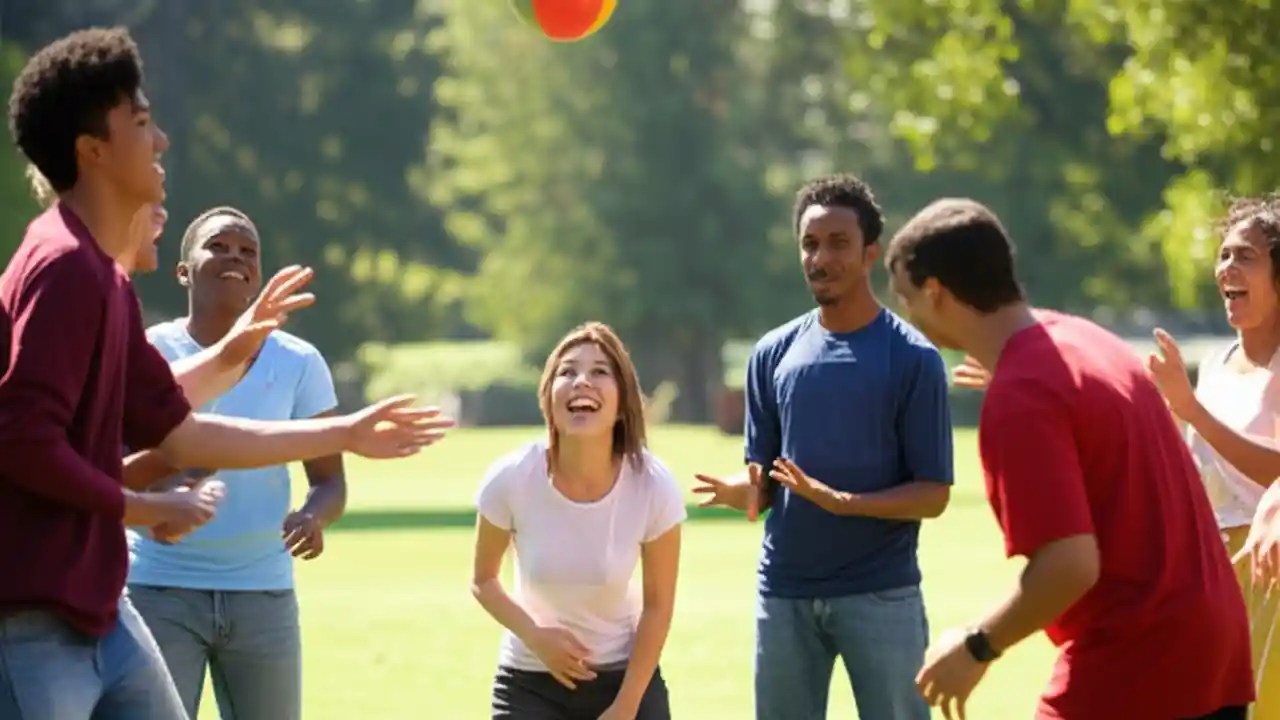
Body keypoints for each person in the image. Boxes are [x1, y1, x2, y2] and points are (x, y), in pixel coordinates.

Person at [1, 27, 452, 720]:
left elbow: (176, 427)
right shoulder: (62, 267)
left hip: (99, 608)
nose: (161, 142)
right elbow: (25, 444)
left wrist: (343, 430)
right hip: (30, 614)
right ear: (93, 151)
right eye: (142, 124)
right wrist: (146, 509)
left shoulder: (105, 281)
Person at [885, 197, 1253, 719]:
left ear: (936, 291)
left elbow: (1070, 564)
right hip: (1214, 649)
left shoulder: (1025, 394)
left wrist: (975, 646)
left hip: (1140, 658)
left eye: (906, 300)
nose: (909, 317)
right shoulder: (1086, 342)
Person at [694, 174, 953, 719]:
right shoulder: (771, 354)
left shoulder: (913, 359)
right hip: (783, 593)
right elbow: (768, 485)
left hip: (880, 595)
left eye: (838, 243)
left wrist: (846, 503)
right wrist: (741, 490)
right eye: (810, 244)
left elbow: (933, 495)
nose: (821, 257)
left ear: (869, 254)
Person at [126, 206, 347, 720]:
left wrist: (314, 517)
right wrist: (169, 482)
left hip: (262, 595)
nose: (235, 257)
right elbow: (112, 462)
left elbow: (330, 481)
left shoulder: (299, 361)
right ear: (183, 271)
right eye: (218, 246)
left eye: (248, 251)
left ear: (259, 275)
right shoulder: (149, 352)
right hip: (160, 588)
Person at [471, 322, 684, 719]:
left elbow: (658, 606)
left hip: (625, 679)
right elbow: (483, 580)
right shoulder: (511, 477)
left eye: (599, 371)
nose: (581, 381)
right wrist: (536, 638)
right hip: (530, 682)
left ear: (621, 404)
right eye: (566, 372)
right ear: (549, 397)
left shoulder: (653, 485)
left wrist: (626, 705)